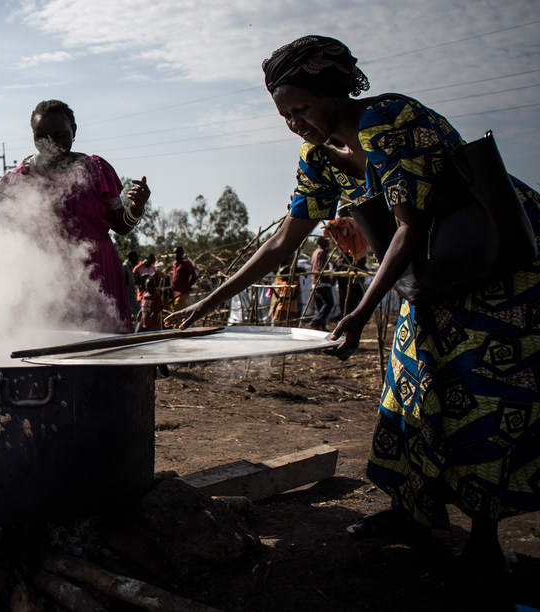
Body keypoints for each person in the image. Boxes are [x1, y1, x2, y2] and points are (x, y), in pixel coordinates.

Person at [166, 36, 540, 583]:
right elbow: (281, 244)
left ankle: (484, 538)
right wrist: (209, 300)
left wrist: (361, 312)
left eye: (301, 107)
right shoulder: (316, 157)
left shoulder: (391, 120)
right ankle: (413, 513)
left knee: (483, 397)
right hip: (434, 274)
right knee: (410, 385)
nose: (295, 122)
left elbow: (410, 226)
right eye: (285, 114)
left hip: (493, 269)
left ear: (335, 90)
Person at [0, 100, 150, 334]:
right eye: (41, 137)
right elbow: (6, 240)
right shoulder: (20, 180)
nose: (51, 144)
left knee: (101, 351)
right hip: (44, 278)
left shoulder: (96, 170)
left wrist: (135, 209)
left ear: (74, 131)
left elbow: (120, 226)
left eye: (59, 135)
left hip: (99, 273)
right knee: (50, 348)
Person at [308, 237, 334, 331]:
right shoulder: (322, 252)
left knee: (321, 305)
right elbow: (321, 269)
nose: (328, 242)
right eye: (326, 241)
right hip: (322, 282)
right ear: (321, 242)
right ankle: (316, 321)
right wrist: (329, 279)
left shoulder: (315, 252)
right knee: (329, 303)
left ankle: (322, 326)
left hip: (315, 282)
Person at [171, 246, 200, 312]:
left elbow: (195, 274)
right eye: (174, 253)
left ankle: (179, 322)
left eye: (178, 253)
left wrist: (188, 284)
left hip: (182, 292)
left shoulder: (185, 263)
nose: (176, 255)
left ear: (182, 253)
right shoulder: (174, 264)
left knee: (178, 311)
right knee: (175, 310)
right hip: (174, 292)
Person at [124, 250, 140, 330]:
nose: (137, 260)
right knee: (140, 313)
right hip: (128, 296)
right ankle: (139, 331)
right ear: (131, 257)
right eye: (136, 258)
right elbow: (122, 281)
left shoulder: (129, 266)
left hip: (130, 295)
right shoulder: (125, 266)